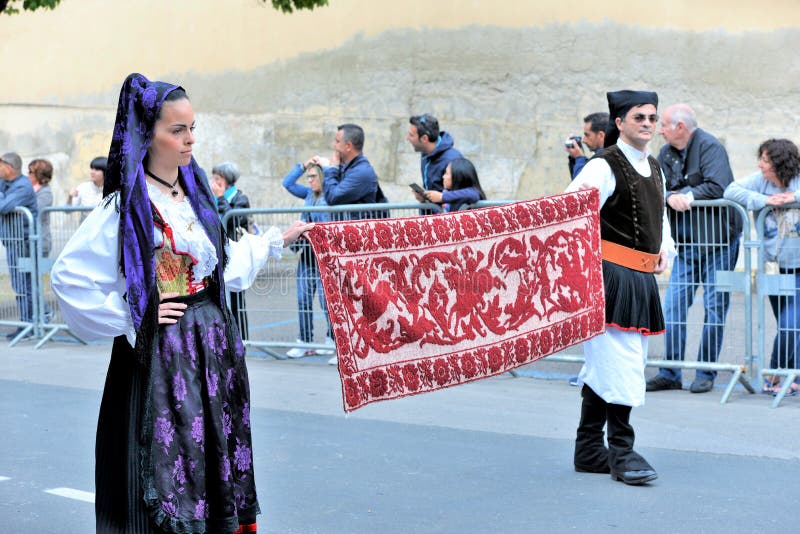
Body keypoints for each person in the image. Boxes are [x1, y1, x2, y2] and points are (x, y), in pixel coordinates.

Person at [50, 73, 313, 533]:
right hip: (161, 351)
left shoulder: (195, 198)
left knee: (209, 457)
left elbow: (221, 266)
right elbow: (68, 278)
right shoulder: (125, 206)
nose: (190, 139)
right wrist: (135, 312)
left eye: (192, 128)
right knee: (164, 469)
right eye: (177, 130)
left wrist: (275, 240)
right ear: (147, 134)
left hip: (211, 348)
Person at [565, 90, 673, 485]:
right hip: (611, 278)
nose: (647, 123)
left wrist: (664, 249)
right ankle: (622, 451)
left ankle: (590, 449)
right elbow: (572, 212)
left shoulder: (656, 168)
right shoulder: (603, 166)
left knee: (612, 364)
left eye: (652, 117)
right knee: (622, 364)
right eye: (639, 117)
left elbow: (658, 218)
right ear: (620, 123)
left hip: (640, 279)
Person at [646, 104, 742, 394]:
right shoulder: (665, 153)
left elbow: (719, 186)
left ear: (680, 127)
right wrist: (674, 195)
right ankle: (670, 371)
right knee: (673, 306)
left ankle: (706, 372)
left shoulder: (711, 147)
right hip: (687, 244)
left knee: (714, 308)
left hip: (719, 242)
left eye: (663, 124)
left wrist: (686, 195)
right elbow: (658, 187)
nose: (658, 129)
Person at [724, 138, 800, 396]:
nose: (760, 164)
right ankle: (793, 374)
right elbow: (730, 191)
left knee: (792, 323)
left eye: (766, 160)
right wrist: (764, 200)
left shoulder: (797, 180)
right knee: (788, 325)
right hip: (775, 266)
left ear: (780, 163)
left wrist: (793, 197)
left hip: (798, 265)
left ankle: (776, 374)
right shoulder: (760, 181)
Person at [282, 159, 334, 358]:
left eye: (313, 176)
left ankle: (331, 339)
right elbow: (287, 184)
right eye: (308, 176)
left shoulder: (330, 196)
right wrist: (302, 166)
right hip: (307, 254)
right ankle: (304, 341)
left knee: (325, 301)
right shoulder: (308, 195)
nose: (310, 180)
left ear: (322, 177)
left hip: (324, 255)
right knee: (303, 299)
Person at [210, 161, 251, 340]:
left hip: (233, 255)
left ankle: (241, 339)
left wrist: (220, 199)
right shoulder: (210, 197)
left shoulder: (240, 199)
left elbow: (235, 220)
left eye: (218, 179)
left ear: (227, 181)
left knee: (235, 299)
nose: (214, 182)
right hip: (215, 253)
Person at [0, 151, 38, 339]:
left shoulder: (22, 186)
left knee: (23, 285)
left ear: (9, 167)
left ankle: (29, 324)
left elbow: (4, 207)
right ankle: (28, 321)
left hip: (23, 242)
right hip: (12, 242)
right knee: (20, 285)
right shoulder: (5, 183)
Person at [314, 123, 381, 221]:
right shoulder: (349, 167)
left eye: (337, 142)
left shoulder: (361, 172)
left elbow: (332, 197)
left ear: (348, 146)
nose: (334, 145)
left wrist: (330, 169)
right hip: (347, 231)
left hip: (357, 233)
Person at [407, 113, 462, 196]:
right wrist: (425, 198)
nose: (407, 138)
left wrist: (440, 199)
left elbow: (462, 196)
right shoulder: (426, 154)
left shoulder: (453, 159)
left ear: (424, 138)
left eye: (411, 135)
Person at [28, 158, 54, 323]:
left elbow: (33, 211)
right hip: (31, 240)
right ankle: (37, 314)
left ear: (38, 174)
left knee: (34, 281)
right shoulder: (32, 189)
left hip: (40, 242)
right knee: (30, 281)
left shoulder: (45, 192)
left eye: (30, 171)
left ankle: (45, 312)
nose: (28, 175)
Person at [419, 157, 486, 211]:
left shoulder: (468, 194)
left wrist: (442, 197)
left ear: (458, 177)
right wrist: (425, 201)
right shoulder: (450, 197)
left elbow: (473, 194)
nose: (443, 177)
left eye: (447, 173)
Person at [565, 112, 609, 180]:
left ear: (601, 135)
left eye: (587, 135)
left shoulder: (604, 159)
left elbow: (580, 185)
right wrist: (574, 158)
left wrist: (579, 158)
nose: (583, 140)